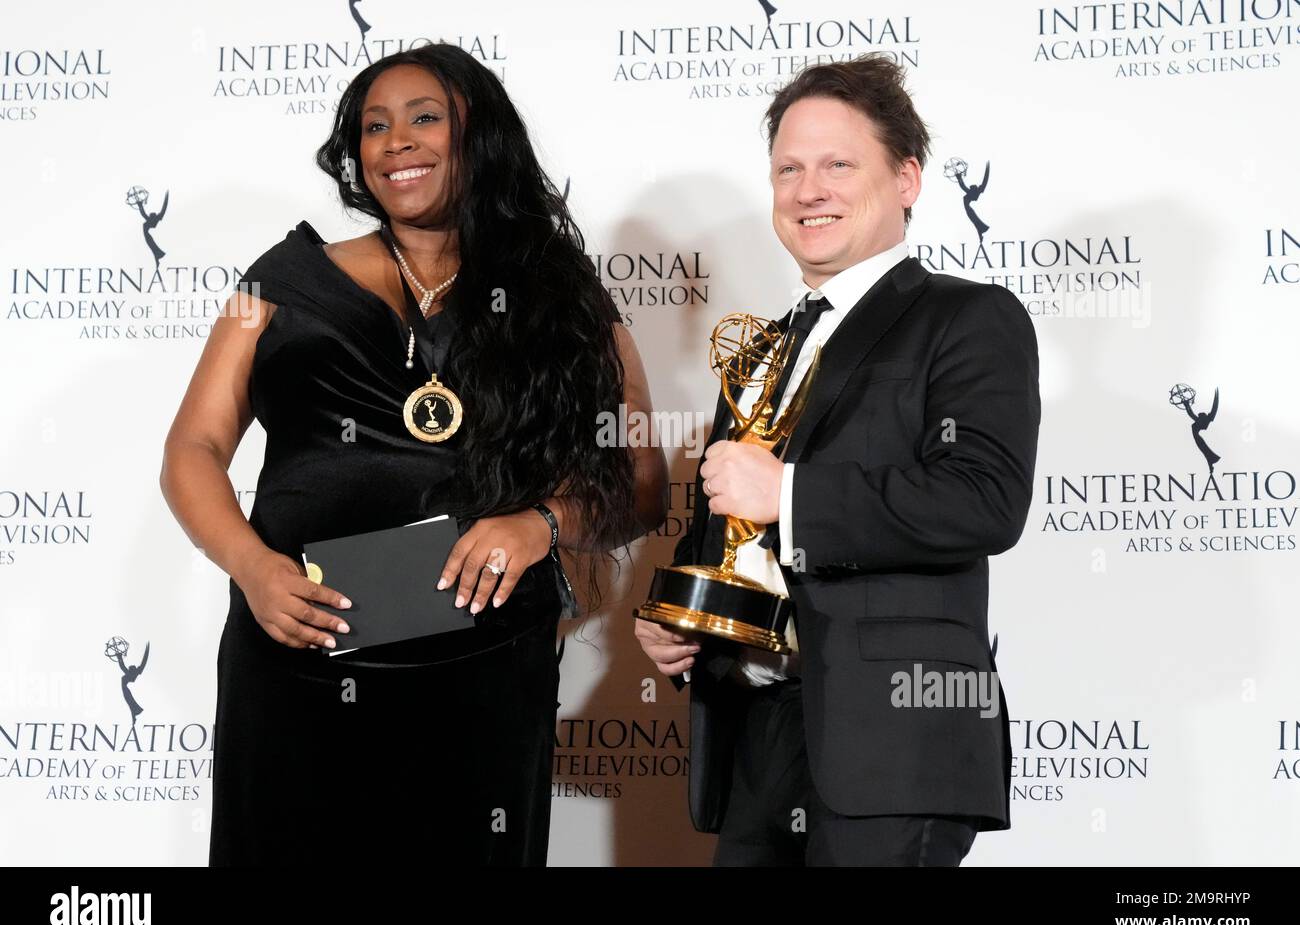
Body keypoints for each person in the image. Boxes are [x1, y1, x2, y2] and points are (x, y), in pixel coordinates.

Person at [161, 44, 668, 866]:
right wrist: (253, 570)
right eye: (374, 126)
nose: (396, 141)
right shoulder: (279, 282)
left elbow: (639, 480)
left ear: (479, 135)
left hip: (483, 665)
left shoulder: (557, 293)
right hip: (299, 649)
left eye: (424, 117)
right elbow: (193, 445)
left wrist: (541, 522)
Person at [633, 54, 1041, 866]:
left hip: (894, 744)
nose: (807, 190)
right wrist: (685, 624)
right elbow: (735, 528)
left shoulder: (969, 318)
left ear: (908, 179)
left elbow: (984, 500)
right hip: (760, 741)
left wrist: (790, 490)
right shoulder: (762, 350)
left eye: (836, 165)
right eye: (788, 169)